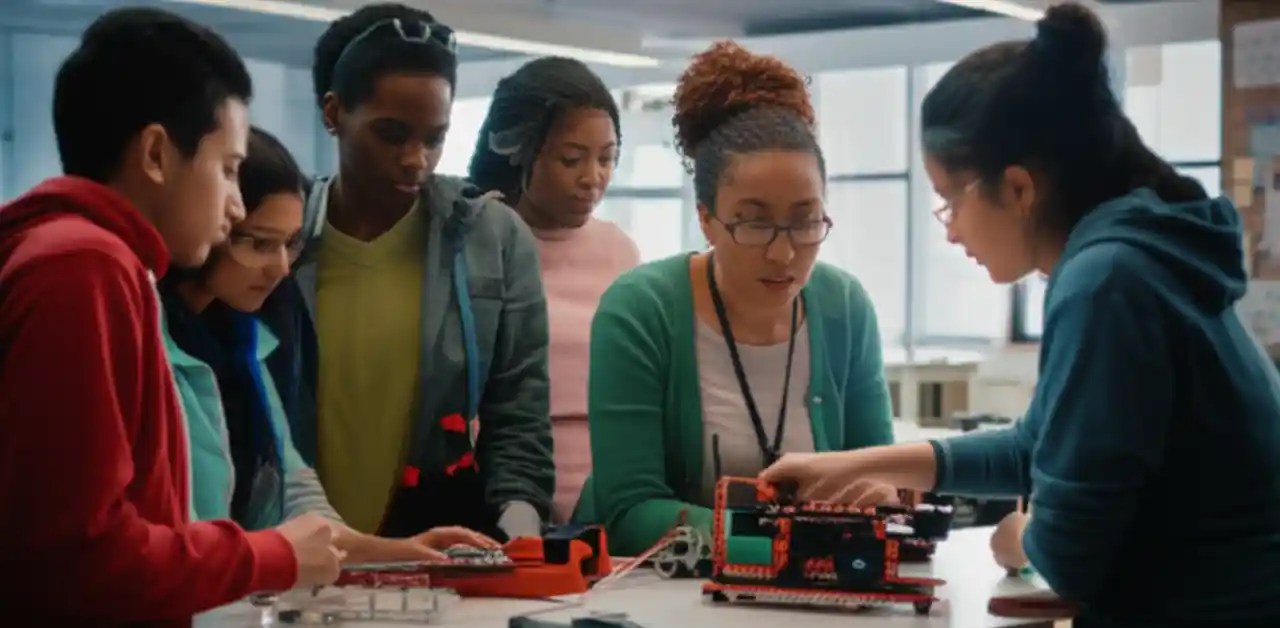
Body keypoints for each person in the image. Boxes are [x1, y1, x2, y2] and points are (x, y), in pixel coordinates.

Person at [762, 4, 1280, 628]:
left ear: (1018, 187)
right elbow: (1035, 446)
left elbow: (1067, 554)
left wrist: (1016, 535)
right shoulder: (1144, 260)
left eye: (948, 200)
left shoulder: (1108, 282)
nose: (947, 233)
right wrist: (852, 465)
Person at [0, 10, 341, 628]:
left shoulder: (73, 257)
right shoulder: (85, 267)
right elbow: (78, 553)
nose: (235, 203)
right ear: (157, 154)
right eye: (228, 169)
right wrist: (268, 556)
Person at [573, 40, 898, 556]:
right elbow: (630, 511)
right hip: (659, 601)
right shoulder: (641, 310)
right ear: (706, 217)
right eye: (754, 222)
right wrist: (786, 542)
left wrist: (885, 498)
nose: (783, 252)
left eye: (805, 221)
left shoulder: (844, 307)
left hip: (811, 592)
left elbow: (879, 475)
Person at [271, 3, 553, 542]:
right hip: (289, 547)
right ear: (333, 113)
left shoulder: (490, 239)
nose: (415, 160)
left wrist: (520, 523)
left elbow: (518, 412)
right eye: (391, 134)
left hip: (433, 550)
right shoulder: (277, 238)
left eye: (434, 137)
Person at [161, 126, 498, 561]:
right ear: (213, 221)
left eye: (291, 243)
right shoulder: (150, 334)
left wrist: (398, 552)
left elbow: (294, 491)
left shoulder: (248, 338)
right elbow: (176, 538)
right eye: (260, 243)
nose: (280, 268)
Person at [468, 56, 640, 524]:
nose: (593, 178)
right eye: (571, 159)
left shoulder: (618, 250)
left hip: (616, 505)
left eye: (607, 158)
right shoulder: (473, 247)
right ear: (519, 151)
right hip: (500, 502)